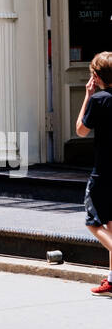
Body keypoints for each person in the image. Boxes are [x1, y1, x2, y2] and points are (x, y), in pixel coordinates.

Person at [75, 51, 112, 295]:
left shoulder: (99, 100)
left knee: (94, 222)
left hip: (104, 171)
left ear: (96, 77)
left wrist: (87, 97)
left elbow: (80, 130)